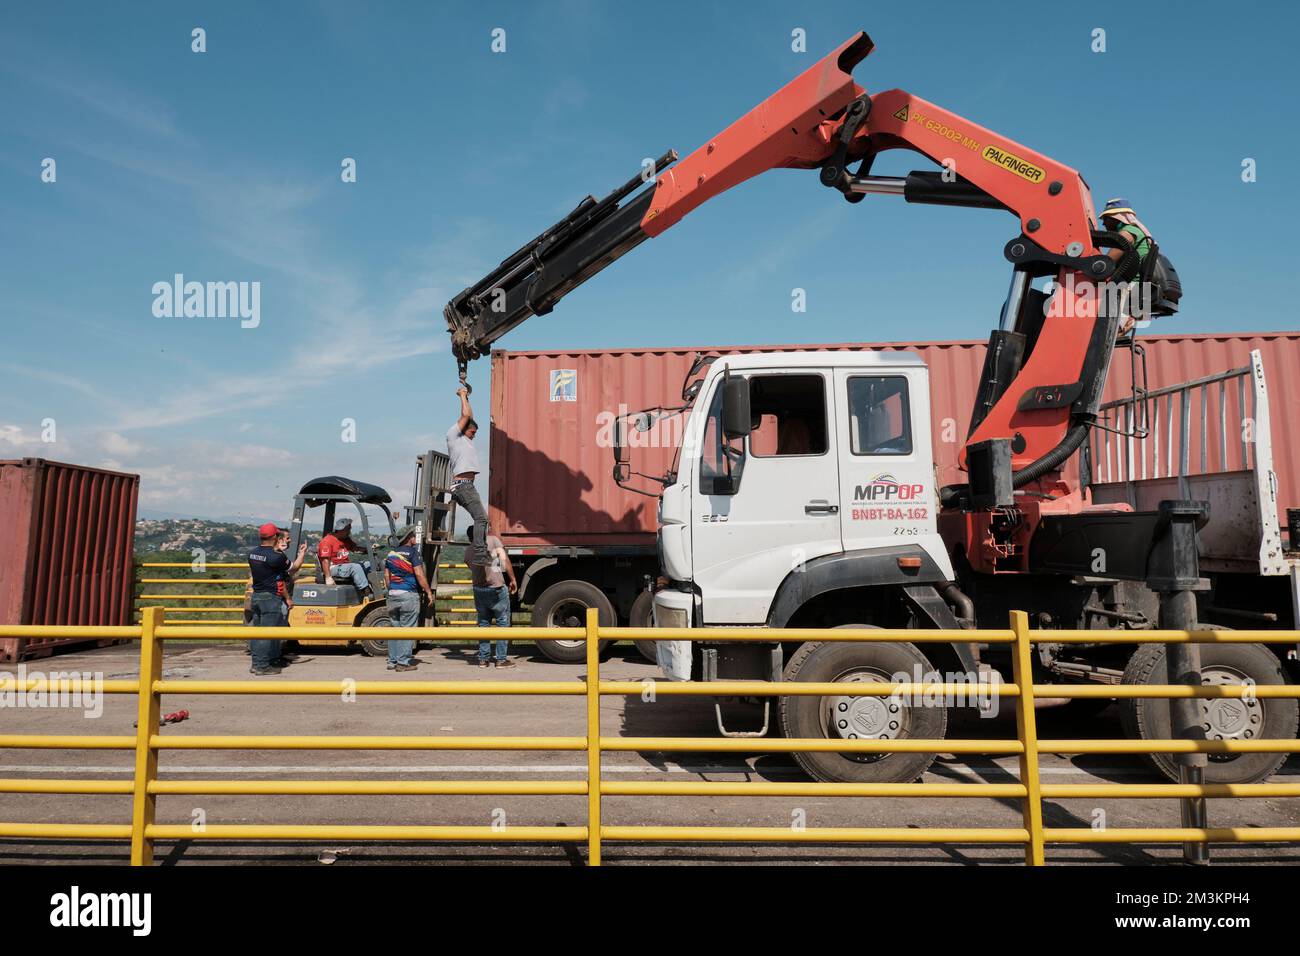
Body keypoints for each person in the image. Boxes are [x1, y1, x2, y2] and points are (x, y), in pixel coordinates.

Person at [247, 522, 308, 675]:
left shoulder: (252, 553)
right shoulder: (276, 557)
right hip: (270, 597)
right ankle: (262, 667)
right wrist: (302, 553)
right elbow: (293, 568)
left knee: (257, 633)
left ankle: (256, 663)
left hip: (256, 596)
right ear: (275, 537)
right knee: (267, 634)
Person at [1099, 197, 1156, 335]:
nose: (1103, 223)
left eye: (1106, 218)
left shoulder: (1128, 232)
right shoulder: (1137, 231)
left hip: (1129, 287)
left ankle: (1122, 321)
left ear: (1117, 217)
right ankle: (1123, 322)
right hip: (1136, 287)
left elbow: (1107, 262)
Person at [448, 387, 490, 566]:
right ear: (463, 429)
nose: (474, 436)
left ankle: (480, 552)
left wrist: (466, 399)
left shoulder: (464, 439)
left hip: (467, 486)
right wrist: (462, 395)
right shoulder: (454, 436)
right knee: (481, 518)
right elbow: (465, 416)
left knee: (481, 518)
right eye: (472, 433)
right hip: (463, 485)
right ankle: (480, 554)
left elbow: (469, 415)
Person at [466, 525, 517, 668]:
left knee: (483, 623)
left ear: (470, 538)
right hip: (496, 589)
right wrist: (513, 579)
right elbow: (504, 560)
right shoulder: (493, 540)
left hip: (479, 589)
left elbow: (472, 567)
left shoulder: (468, 551)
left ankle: (483, 660)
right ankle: (501, 660)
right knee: (502, 622)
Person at [384, 525, 433, 672]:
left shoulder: (391, 554)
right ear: (408, 538)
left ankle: (392, 661)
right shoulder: (413, 553)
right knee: (407, 629)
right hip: (408, 595)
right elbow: (419, 574)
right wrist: (428, 591)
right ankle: (403, 662)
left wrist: (392, 590)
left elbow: (387, 576)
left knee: (395, 629)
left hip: (392, 595)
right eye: (413, 535)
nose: (415, 538)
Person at [319, 517, 372, 597]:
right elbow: (325, 560)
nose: (349, 532)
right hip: (332, 568)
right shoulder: (327, 541)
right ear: (341, 530)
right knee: (355, 567)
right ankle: (365, 591)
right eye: (348, 530)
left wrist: (369, 549)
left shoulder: (345, 539)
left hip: (344, 566)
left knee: (368, 564)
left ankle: (372, 585)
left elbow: (355, 549)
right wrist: (328, 577)